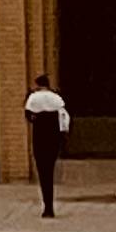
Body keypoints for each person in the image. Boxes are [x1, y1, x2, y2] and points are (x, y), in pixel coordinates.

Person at [23, 73, 70, 217]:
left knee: (42, 173)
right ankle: (50, 206)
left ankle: (46, 206)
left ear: (37, 84)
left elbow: (28, 115)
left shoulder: (33, 98)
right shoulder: (56, 98)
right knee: (50, 170)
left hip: (40, 136)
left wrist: (36, 118)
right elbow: (64, 117)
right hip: (53, 136)